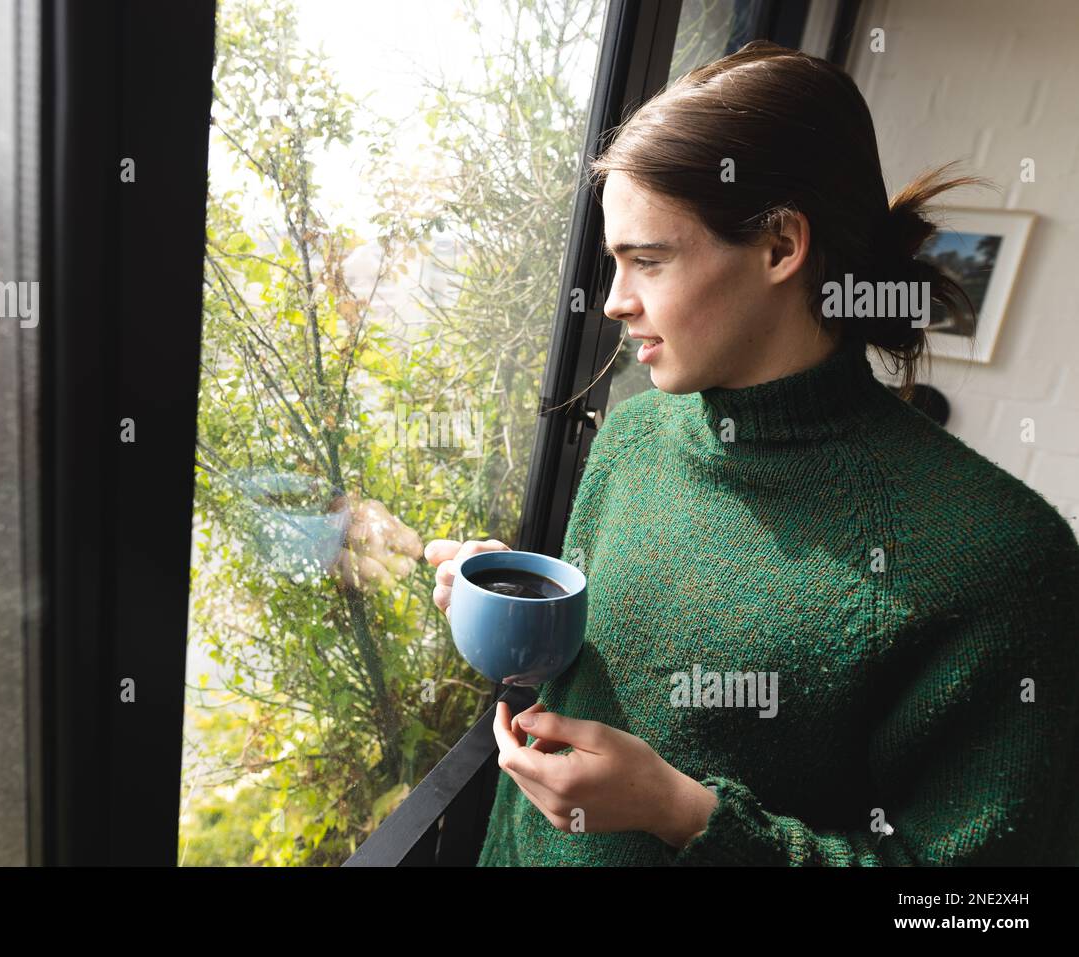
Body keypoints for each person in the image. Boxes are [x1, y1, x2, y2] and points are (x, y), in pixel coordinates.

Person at [425, 40, 1079, 865]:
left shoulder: (999, 560)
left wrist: (688, 815)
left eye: (648, 260)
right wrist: (516, 608)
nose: (617, 302)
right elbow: (620, 670)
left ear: (779, 247)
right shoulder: (631, 439)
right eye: (612, 261)